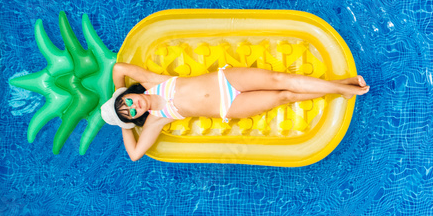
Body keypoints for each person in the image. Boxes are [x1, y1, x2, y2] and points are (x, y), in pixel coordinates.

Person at [100, 63, 369, 161]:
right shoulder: (157, 120)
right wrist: (123, 124)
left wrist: (115, 94)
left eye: (129, 101)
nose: (135, 106)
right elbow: (135, 155)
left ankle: (344, 88)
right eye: (130, 113)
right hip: (229, 108)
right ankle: (342, 88)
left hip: (226, 80)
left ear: (130, 93)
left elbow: (119, 69)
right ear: (135, 119)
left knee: (279, 80)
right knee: (284, 97)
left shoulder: (152, 81)